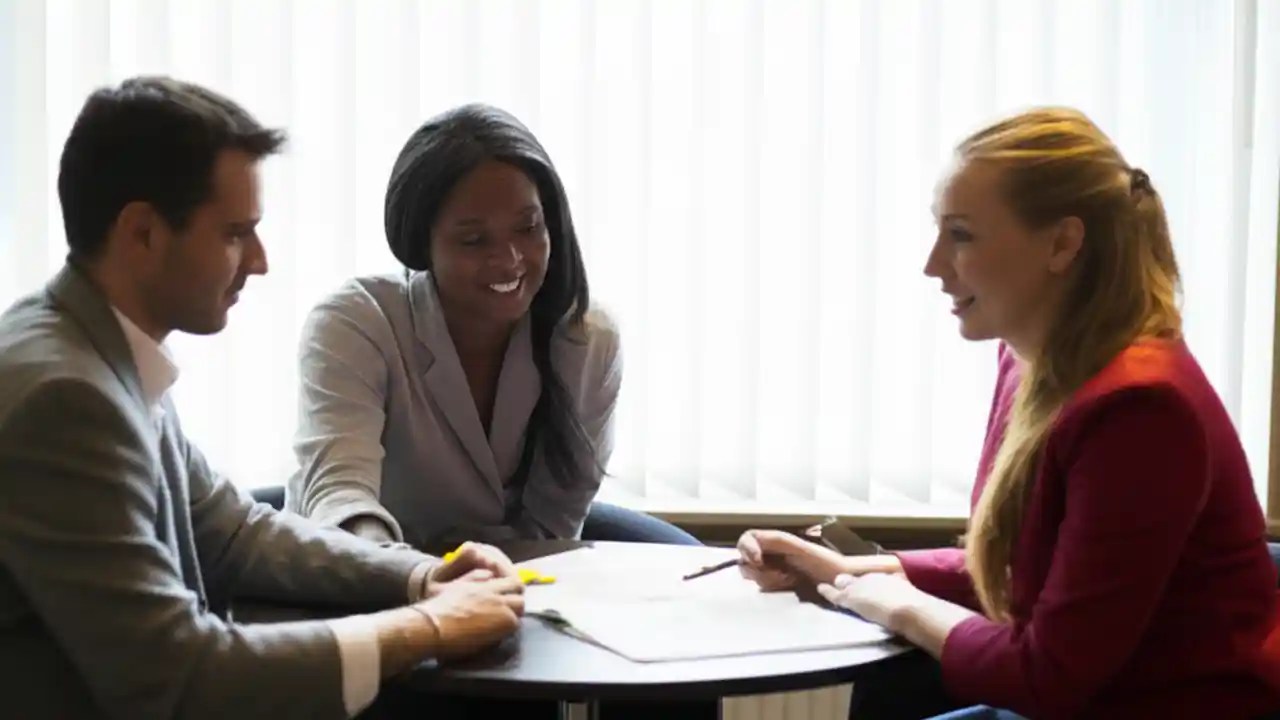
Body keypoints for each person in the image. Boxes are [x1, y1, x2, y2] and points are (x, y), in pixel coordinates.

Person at [0, 76, 528, 720]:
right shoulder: (66, 399)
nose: (260, 260)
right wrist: (431, 627)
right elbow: (179, 676)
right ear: (142, 234)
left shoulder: (94, 346)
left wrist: (420, 576)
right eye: (234, 233)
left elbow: (235, 534)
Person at [736, 108, 1280, 719]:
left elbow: (1048, 674)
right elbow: (1033, 565)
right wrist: (862, 569)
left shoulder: (1140, 407)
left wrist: (896, 602)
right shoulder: (1030, 360)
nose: (933, 264)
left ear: (1062, 243)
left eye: (961, 235)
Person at [285, 102, 698, 551]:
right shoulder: (355, 323)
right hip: (363, 575)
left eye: (528, 228)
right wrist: (409, 575)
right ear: (423, 243)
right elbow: (339, 498)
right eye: (474, 240)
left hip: (511, 581)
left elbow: (555, 526)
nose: (509, 260)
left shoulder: (587, 339)